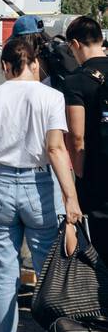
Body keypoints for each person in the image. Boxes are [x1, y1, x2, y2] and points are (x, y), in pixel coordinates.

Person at [0, 34, 82, 332]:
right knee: (49, 278)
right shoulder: (51, 96)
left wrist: (0, 151)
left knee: (5, 278)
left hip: (1, 185)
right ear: (34, 63)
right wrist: (71, 198)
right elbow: (56, 150)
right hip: (38, 187)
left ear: (6, 66)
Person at [60, 14, 108, 263]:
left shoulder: (75, 82)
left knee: (98, 252)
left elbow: (77, 138)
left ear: (76, 44)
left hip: (97, 179)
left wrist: (79, 177)